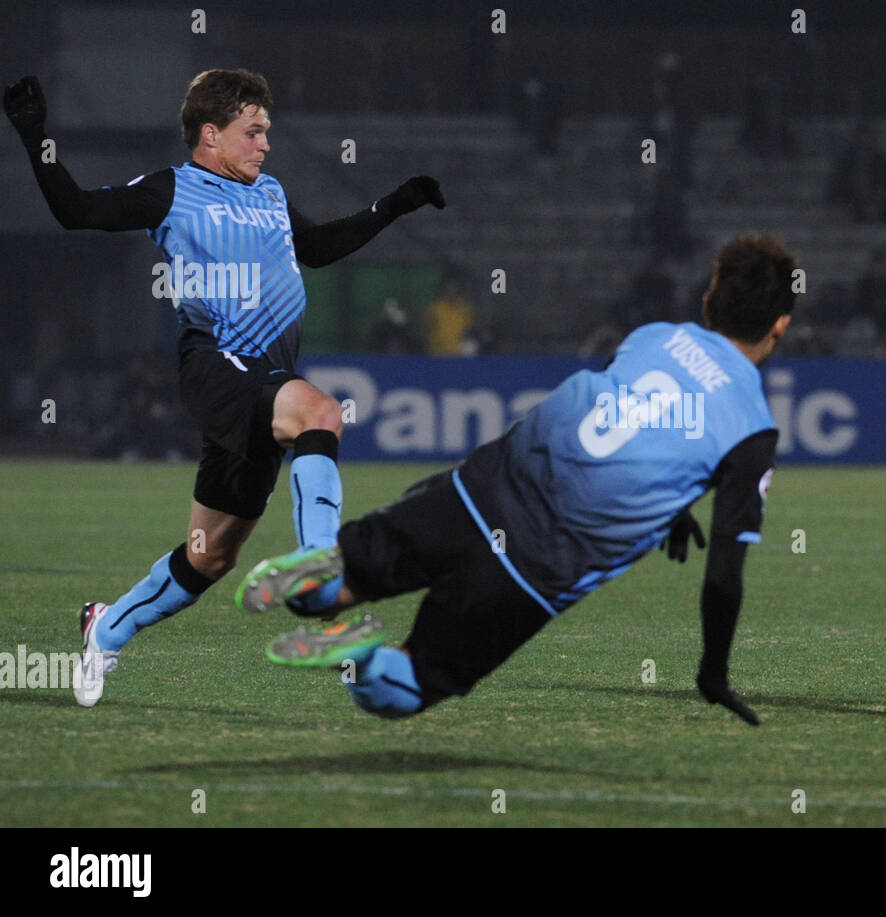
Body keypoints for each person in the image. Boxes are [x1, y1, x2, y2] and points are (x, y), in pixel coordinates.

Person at [3, 70, 446, 707]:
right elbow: (76, 212)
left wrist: (392, 205)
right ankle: (328, 593)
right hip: (219, 364)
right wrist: (35, 136)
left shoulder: (268, 193)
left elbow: (315, 247)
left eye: (266, 131)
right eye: (254, 131)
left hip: (259, 382)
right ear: (211, 135)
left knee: (209, 557)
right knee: (320, 411)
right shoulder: (172, 191)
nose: (265, 144)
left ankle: (107, 626)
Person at [234, 235, 798, 726]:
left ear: (708, 299)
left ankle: (325, 576)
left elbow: (626, 424)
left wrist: (670, 509)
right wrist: (713, 673)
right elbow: (724, 575)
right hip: (535, 566)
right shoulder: (752, 429)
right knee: (403, 690)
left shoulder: (654, 337)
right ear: (780, 325)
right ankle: (357, 656)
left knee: (333, 585)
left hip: (479, 489)